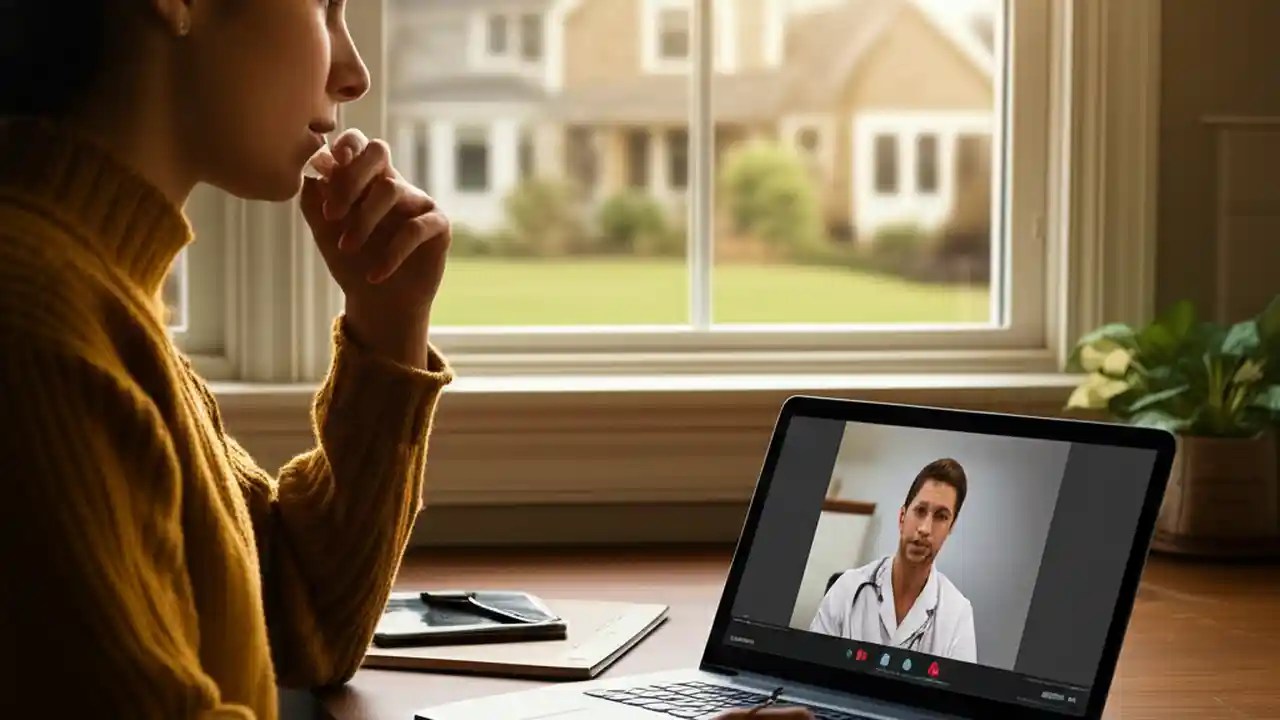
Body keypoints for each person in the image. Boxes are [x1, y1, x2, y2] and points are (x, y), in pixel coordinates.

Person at [0, 1, 810, 718]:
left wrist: (388, 326)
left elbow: (300, 616)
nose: (352, 73)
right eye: (325, 7)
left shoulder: (94, 287)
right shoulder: (40, 326)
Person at [810, 459, 978, 662]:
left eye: (941, 517)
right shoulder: (846, 588)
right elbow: (809, 676)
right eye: (920, 511)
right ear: (902, 517)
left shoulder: (958, 614)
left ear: (950, 528)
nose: (925, 528)